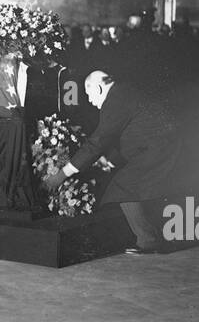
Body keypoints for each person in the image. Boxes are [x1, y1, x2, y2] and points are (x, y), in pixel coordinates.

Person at [42, 70, 181, 254]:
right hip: (161, 146)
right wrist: (107, 160)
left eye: (89, 94)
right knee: (136, 186)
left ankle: (149, 241)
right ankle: (153, 238)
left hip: (160, 149)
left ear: (98, 88)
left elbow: (98, 141)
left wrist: (61, 175)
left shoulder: (115, 99)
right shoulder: (123, 92)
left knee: (124, 186)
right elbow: (124, 133)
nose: (90, 101)